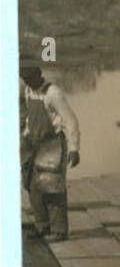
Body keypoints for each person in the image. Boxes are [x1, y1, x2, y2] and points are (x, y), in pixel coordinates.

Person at [19, 61, 80, 242]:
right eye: (23, 78)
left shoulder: (53, 93)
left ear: (38, 74)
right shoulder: (28, 90)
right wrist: (24, 135)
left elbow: (71, 121)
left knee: (52, 187)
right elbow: (28, 116)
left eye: (29, 77)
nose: (27, 81)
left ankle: (59, 230)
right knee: (32, 186)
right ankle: (42, 226)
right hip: (33, 143)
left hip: (52, 143)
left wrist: (74, 148)